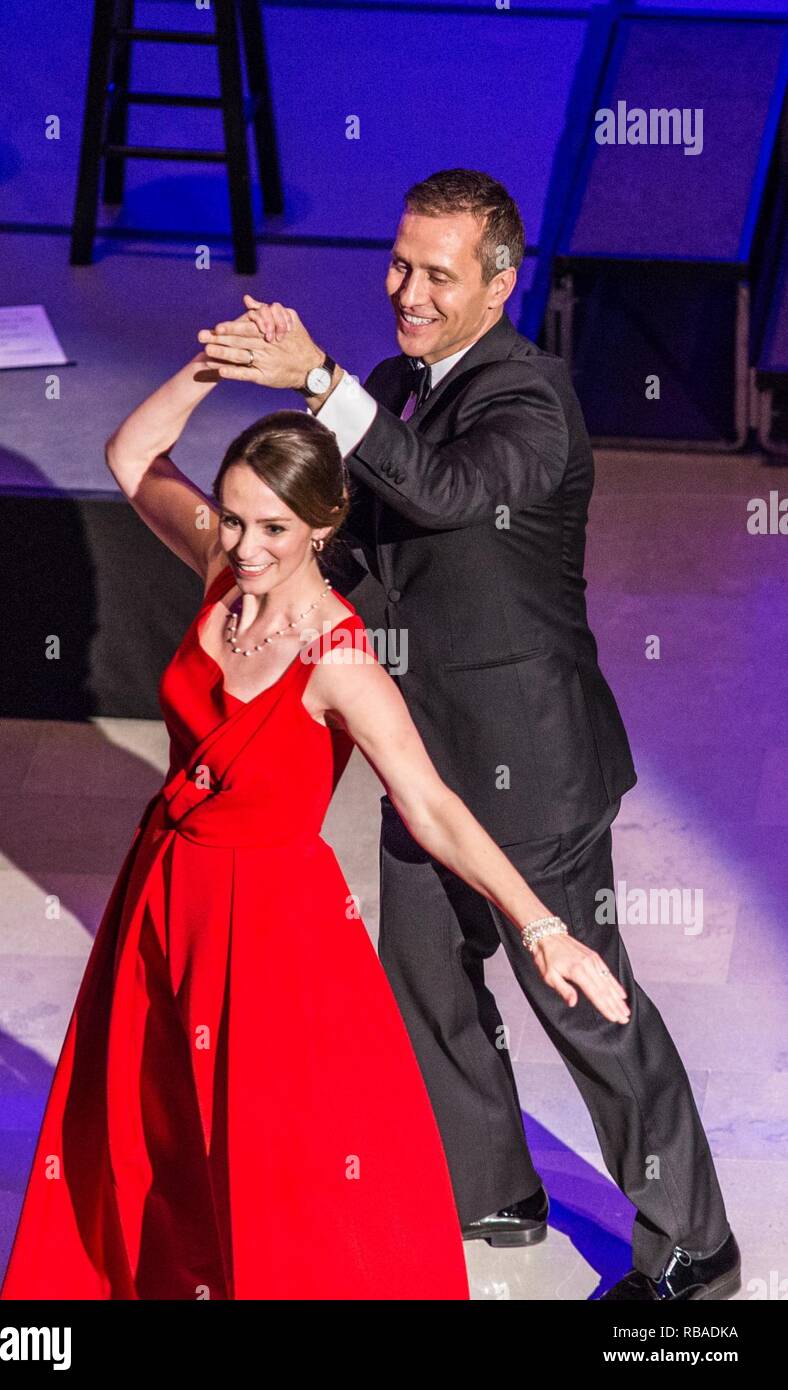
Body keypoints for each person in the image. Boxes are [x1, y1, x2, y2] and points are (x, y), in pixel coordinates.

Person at [197, 167, 741, 1301]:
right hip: (424, 752)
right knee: (426, 976)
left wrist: (320, 380)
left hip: (532, 764)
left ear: (499, 283)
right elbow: (368, 534)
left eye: (435, 274)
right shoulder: (395, 382)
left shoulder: (533, 399)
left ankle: (694, 1244)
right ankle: (491, 1184)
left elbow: (443, 492)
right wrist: (268, 582)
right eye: (398, 263)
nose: (406, 290)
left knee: (586, 1002)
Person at [0, 347, 631, 1302]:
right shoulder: (222, 567)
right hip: (163, 895)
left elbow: (433, 805)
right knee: (152, 1123)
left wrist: (541, 928)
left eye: (274, 530)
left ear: (325, 525)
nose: (247, 547)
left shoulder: (340, 660)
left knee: (272, 1158)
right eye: (237, 517)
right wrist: (208, 370)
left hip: (270, 929)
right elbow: (133, 458)